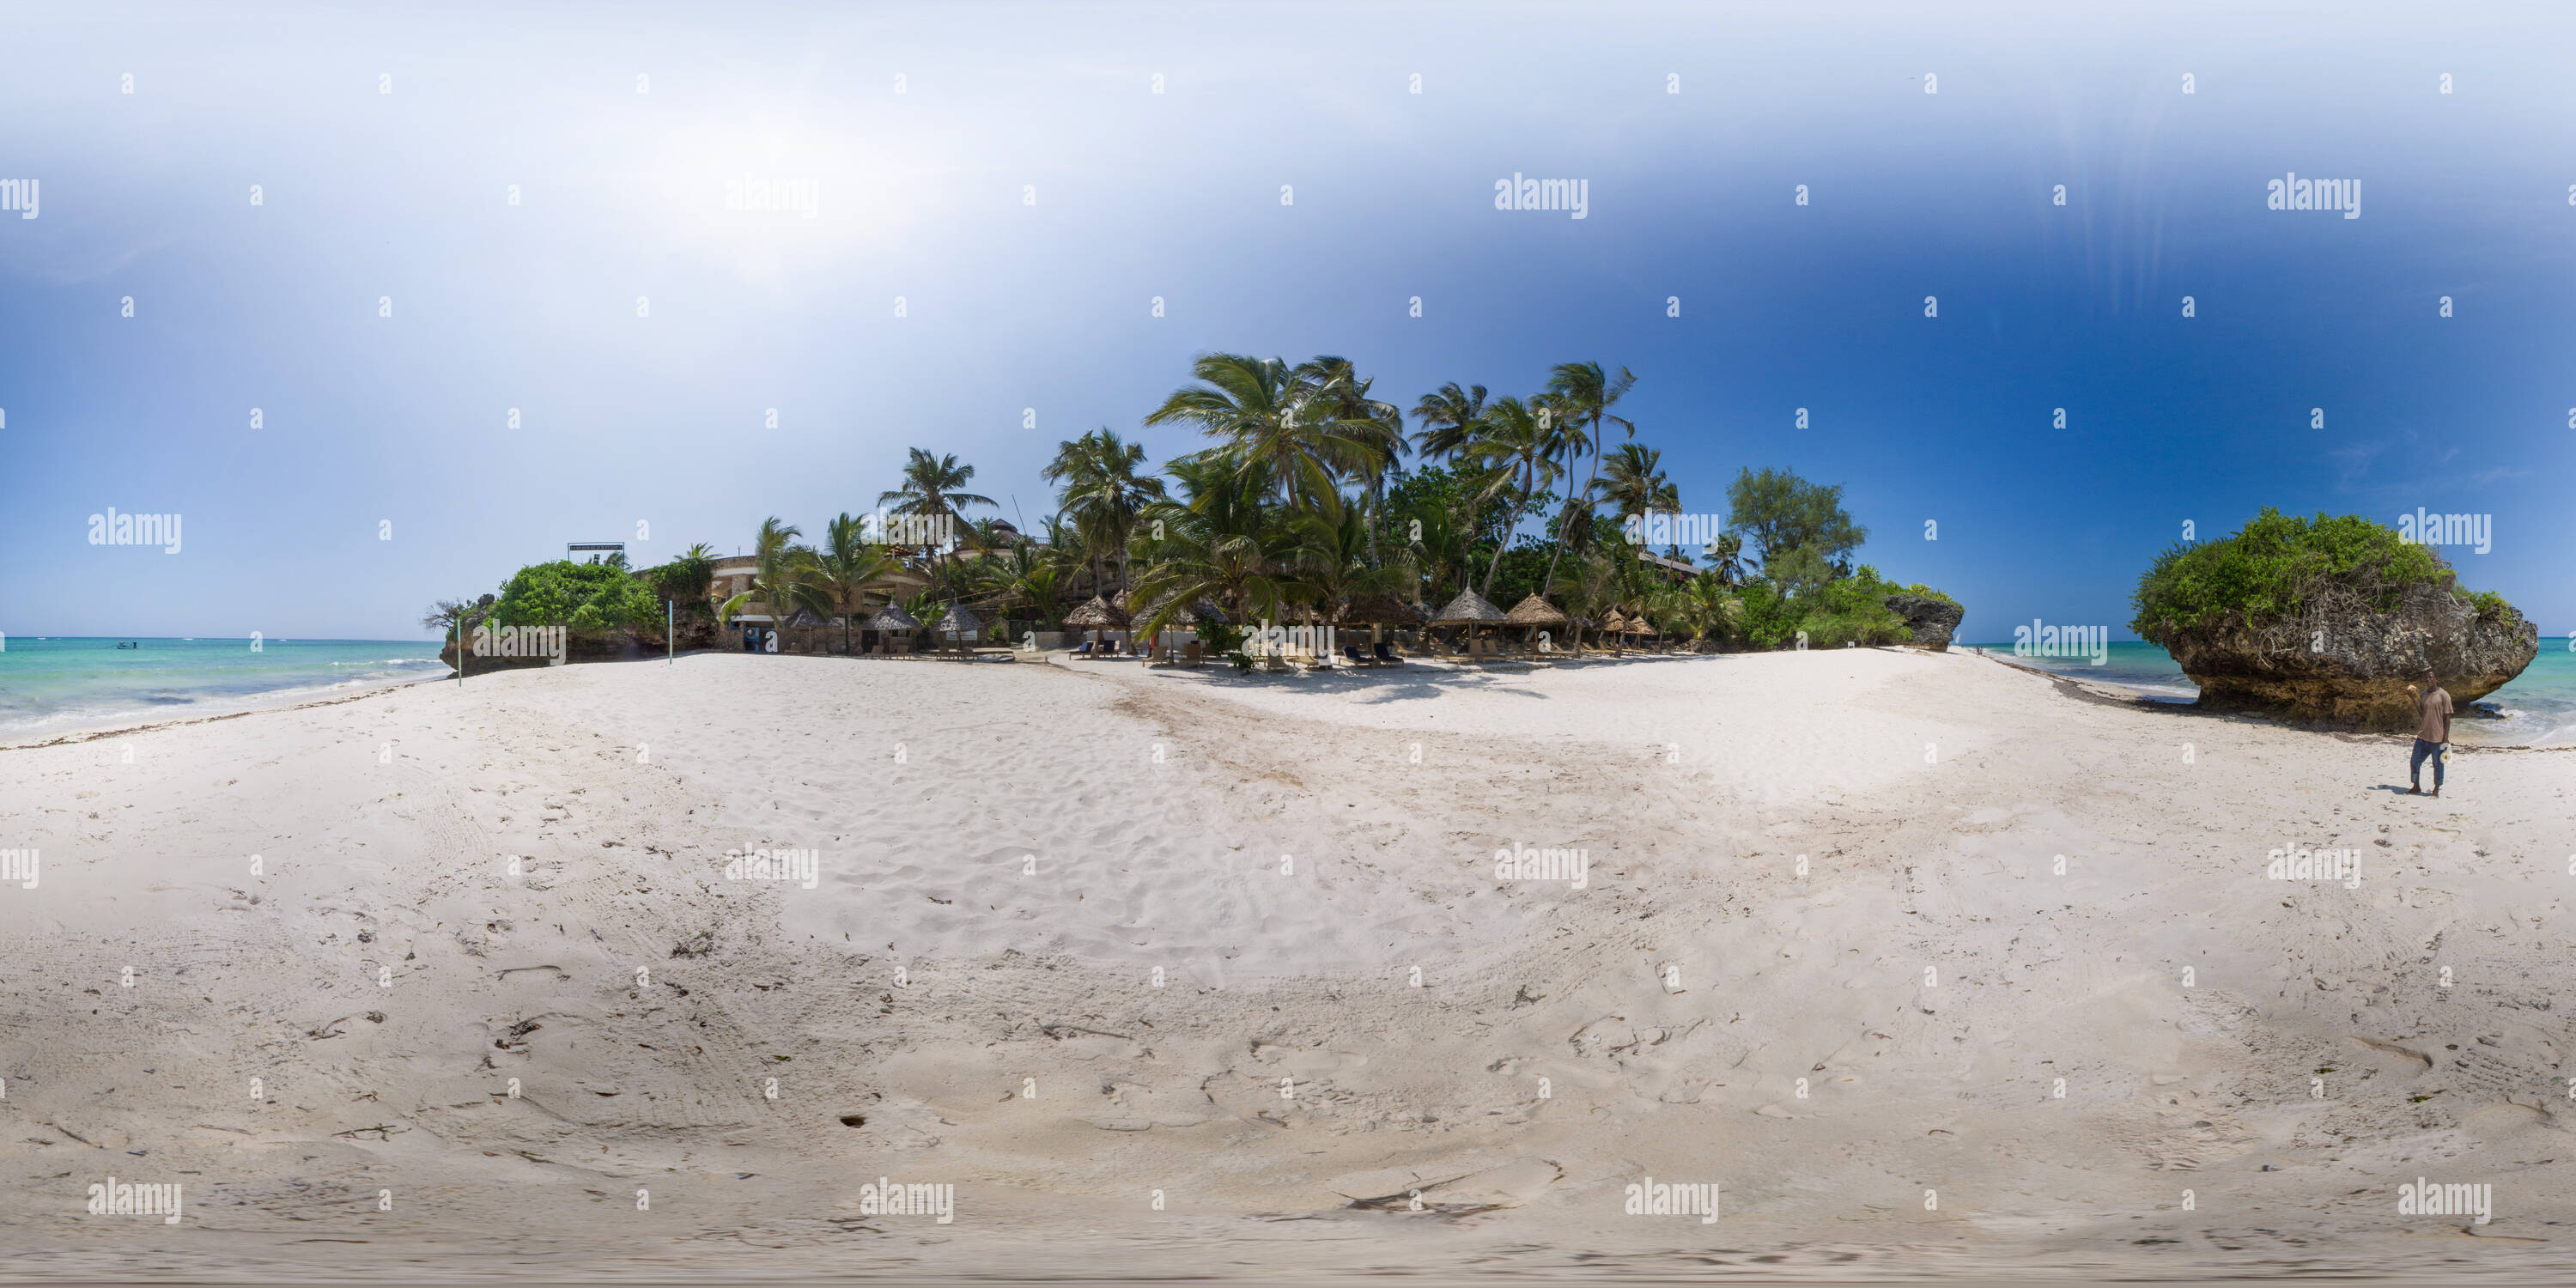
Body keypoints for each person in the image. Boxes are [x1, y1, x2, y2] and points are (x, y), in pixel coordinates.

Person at [2408, 666, 2451, 797]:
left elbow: (2448, 717)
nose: (2428, 680)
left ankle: (2436, 788)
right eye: (2426, 678)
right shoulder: (2423, 694)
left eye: (2431, 677)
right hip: (2423, 736)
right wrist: (2414, 700)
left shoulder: (2444, 695)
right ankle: (2416, 786)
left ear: (2436, 679)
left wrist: (2445, 737)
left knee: (2438, 765)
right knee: (2415, 761)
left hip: (2437, 738)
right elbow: (2422, 714)